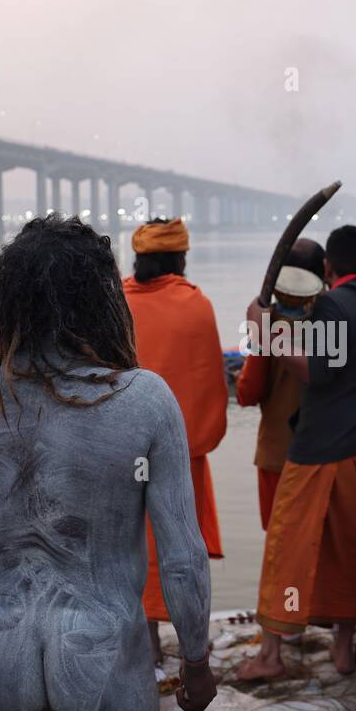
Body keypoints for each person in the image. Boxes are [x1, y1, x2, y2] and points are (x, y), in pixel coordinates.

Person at [0, 215, 216, 711]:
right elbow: (182, 558)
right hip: (102, 651)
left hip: (0, 653)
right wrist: (195, 659)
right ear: (103, 301)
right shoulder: (144, 400)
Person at [238, 224, 356, 678]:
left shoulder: (332, 304)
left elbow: (318, 371)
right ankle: (344, 647)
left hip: (319, 446)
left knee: (288, 545)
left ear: (329, 267)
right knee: (352, 545)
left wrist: (264, 333)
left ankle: (270, 655)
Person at [121, 217, 228, 664]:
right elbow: (209, 382)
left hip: (120, 455)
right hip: (180, 454)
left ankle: (143, 645)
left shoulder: (115, 302)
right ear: (180, 258)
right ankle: (191, 653)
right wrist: (199, 436)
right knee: (179, 549)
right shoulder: (195, 305)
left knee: (128, 549)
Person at [235, 260, 325, 529]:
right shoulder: (331, 322)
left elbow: (247, 394)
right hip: (324, 455)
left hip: (276, 456)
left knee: (279, 542)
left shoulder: (265, 328)